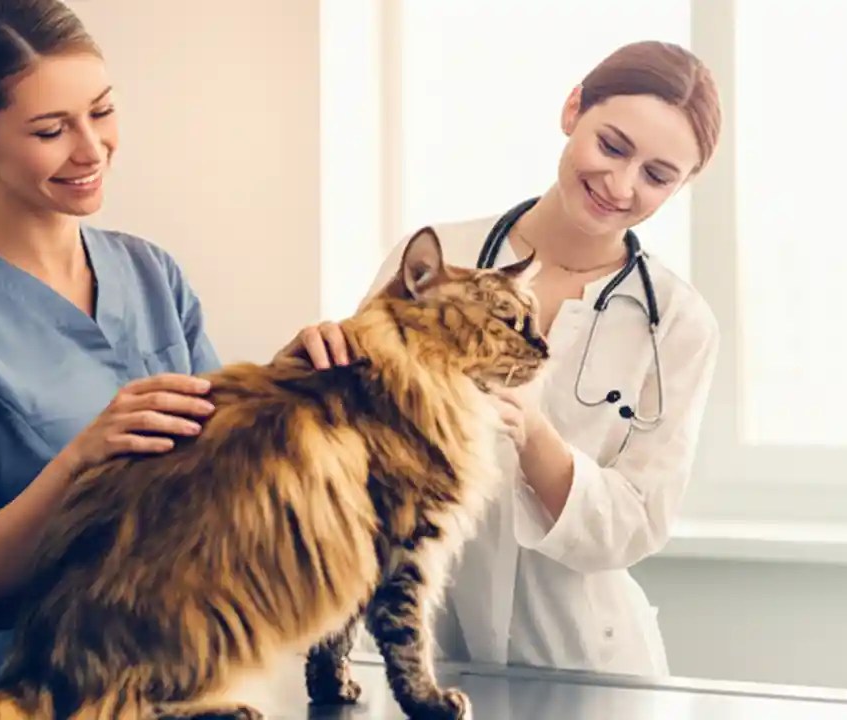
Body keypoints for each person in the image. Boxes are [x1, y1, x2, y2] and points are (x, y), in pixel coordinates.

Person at [281, 40, 722, 677]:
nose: (620, 185)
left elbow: (637, 524)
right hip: (429, 648)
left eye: (657, 176)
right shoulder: (439, 256)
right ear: (573, 109)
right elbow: (348, 454)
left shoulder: (678, 324)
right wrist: (305, 371)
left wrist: (534, 434)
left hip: (587, 661)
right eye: (612, 146)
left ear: (683, 185)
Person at [0, 0, 220, 690]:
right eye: (51, 130)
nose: (90, 149)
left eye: (102, 112)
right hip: (19, 695)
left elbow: (222, 487)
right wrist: (85, 456)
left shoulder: (152, 275)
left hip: (174, 688)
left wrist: (312, 374)